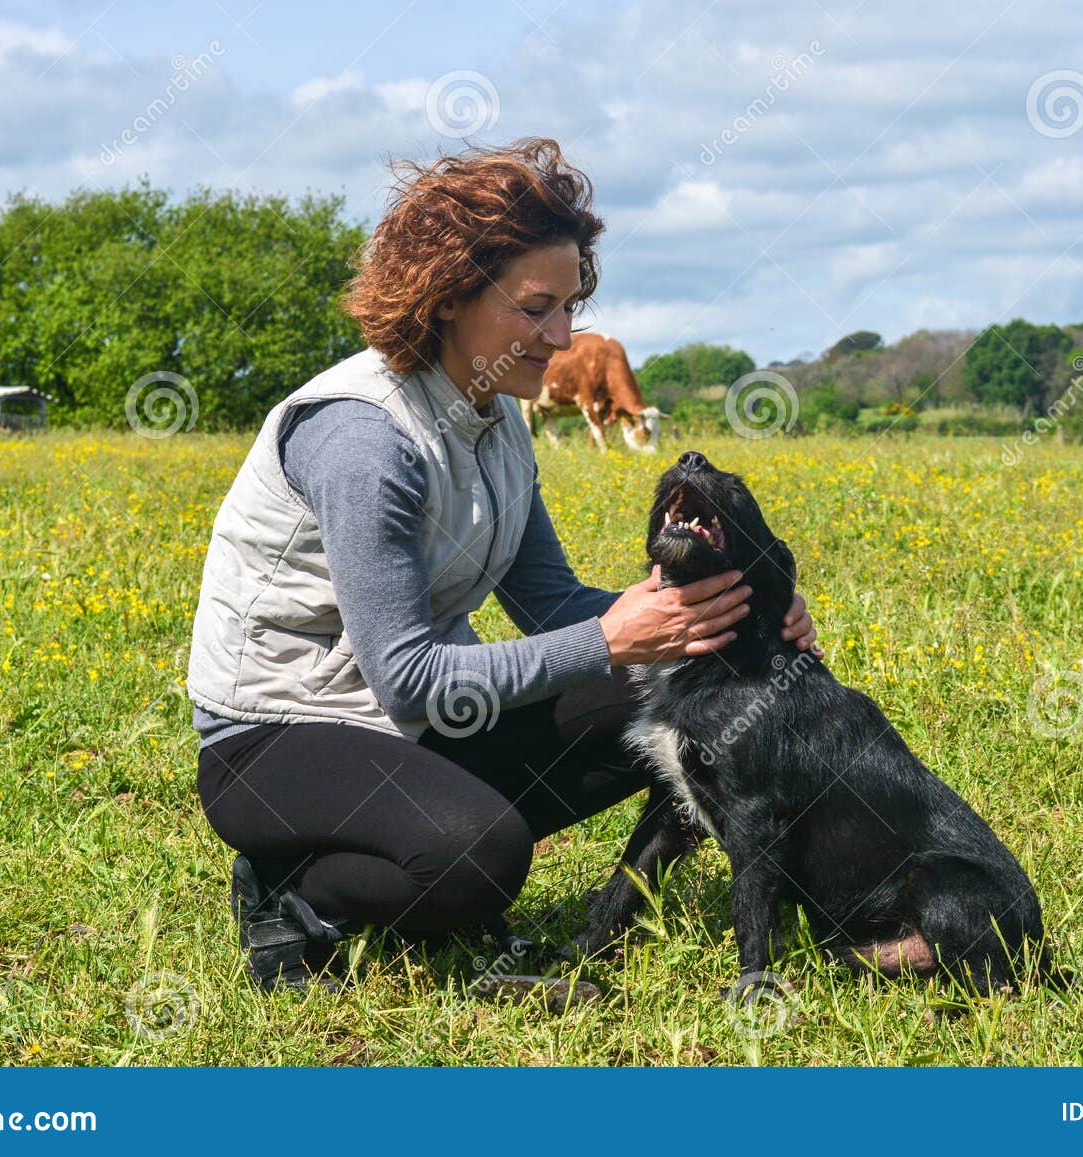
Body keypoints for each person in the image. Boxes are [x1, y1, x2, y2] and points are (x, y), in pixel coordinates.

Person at [186, 137, 821, 992]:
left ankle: (594, 906)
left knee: (703, 687)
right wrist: (615, 636)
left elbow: (550, 599)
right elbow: (409, 677)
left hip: (408, 729)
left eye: (569, 307)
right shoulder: (364, 437)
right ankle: (293, 889)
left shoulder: (494, 420)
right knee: (478, 856)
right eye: (536, 308)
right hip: (276, 740)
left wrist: (726, 618)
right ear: (449, 296)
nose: (562, 337)